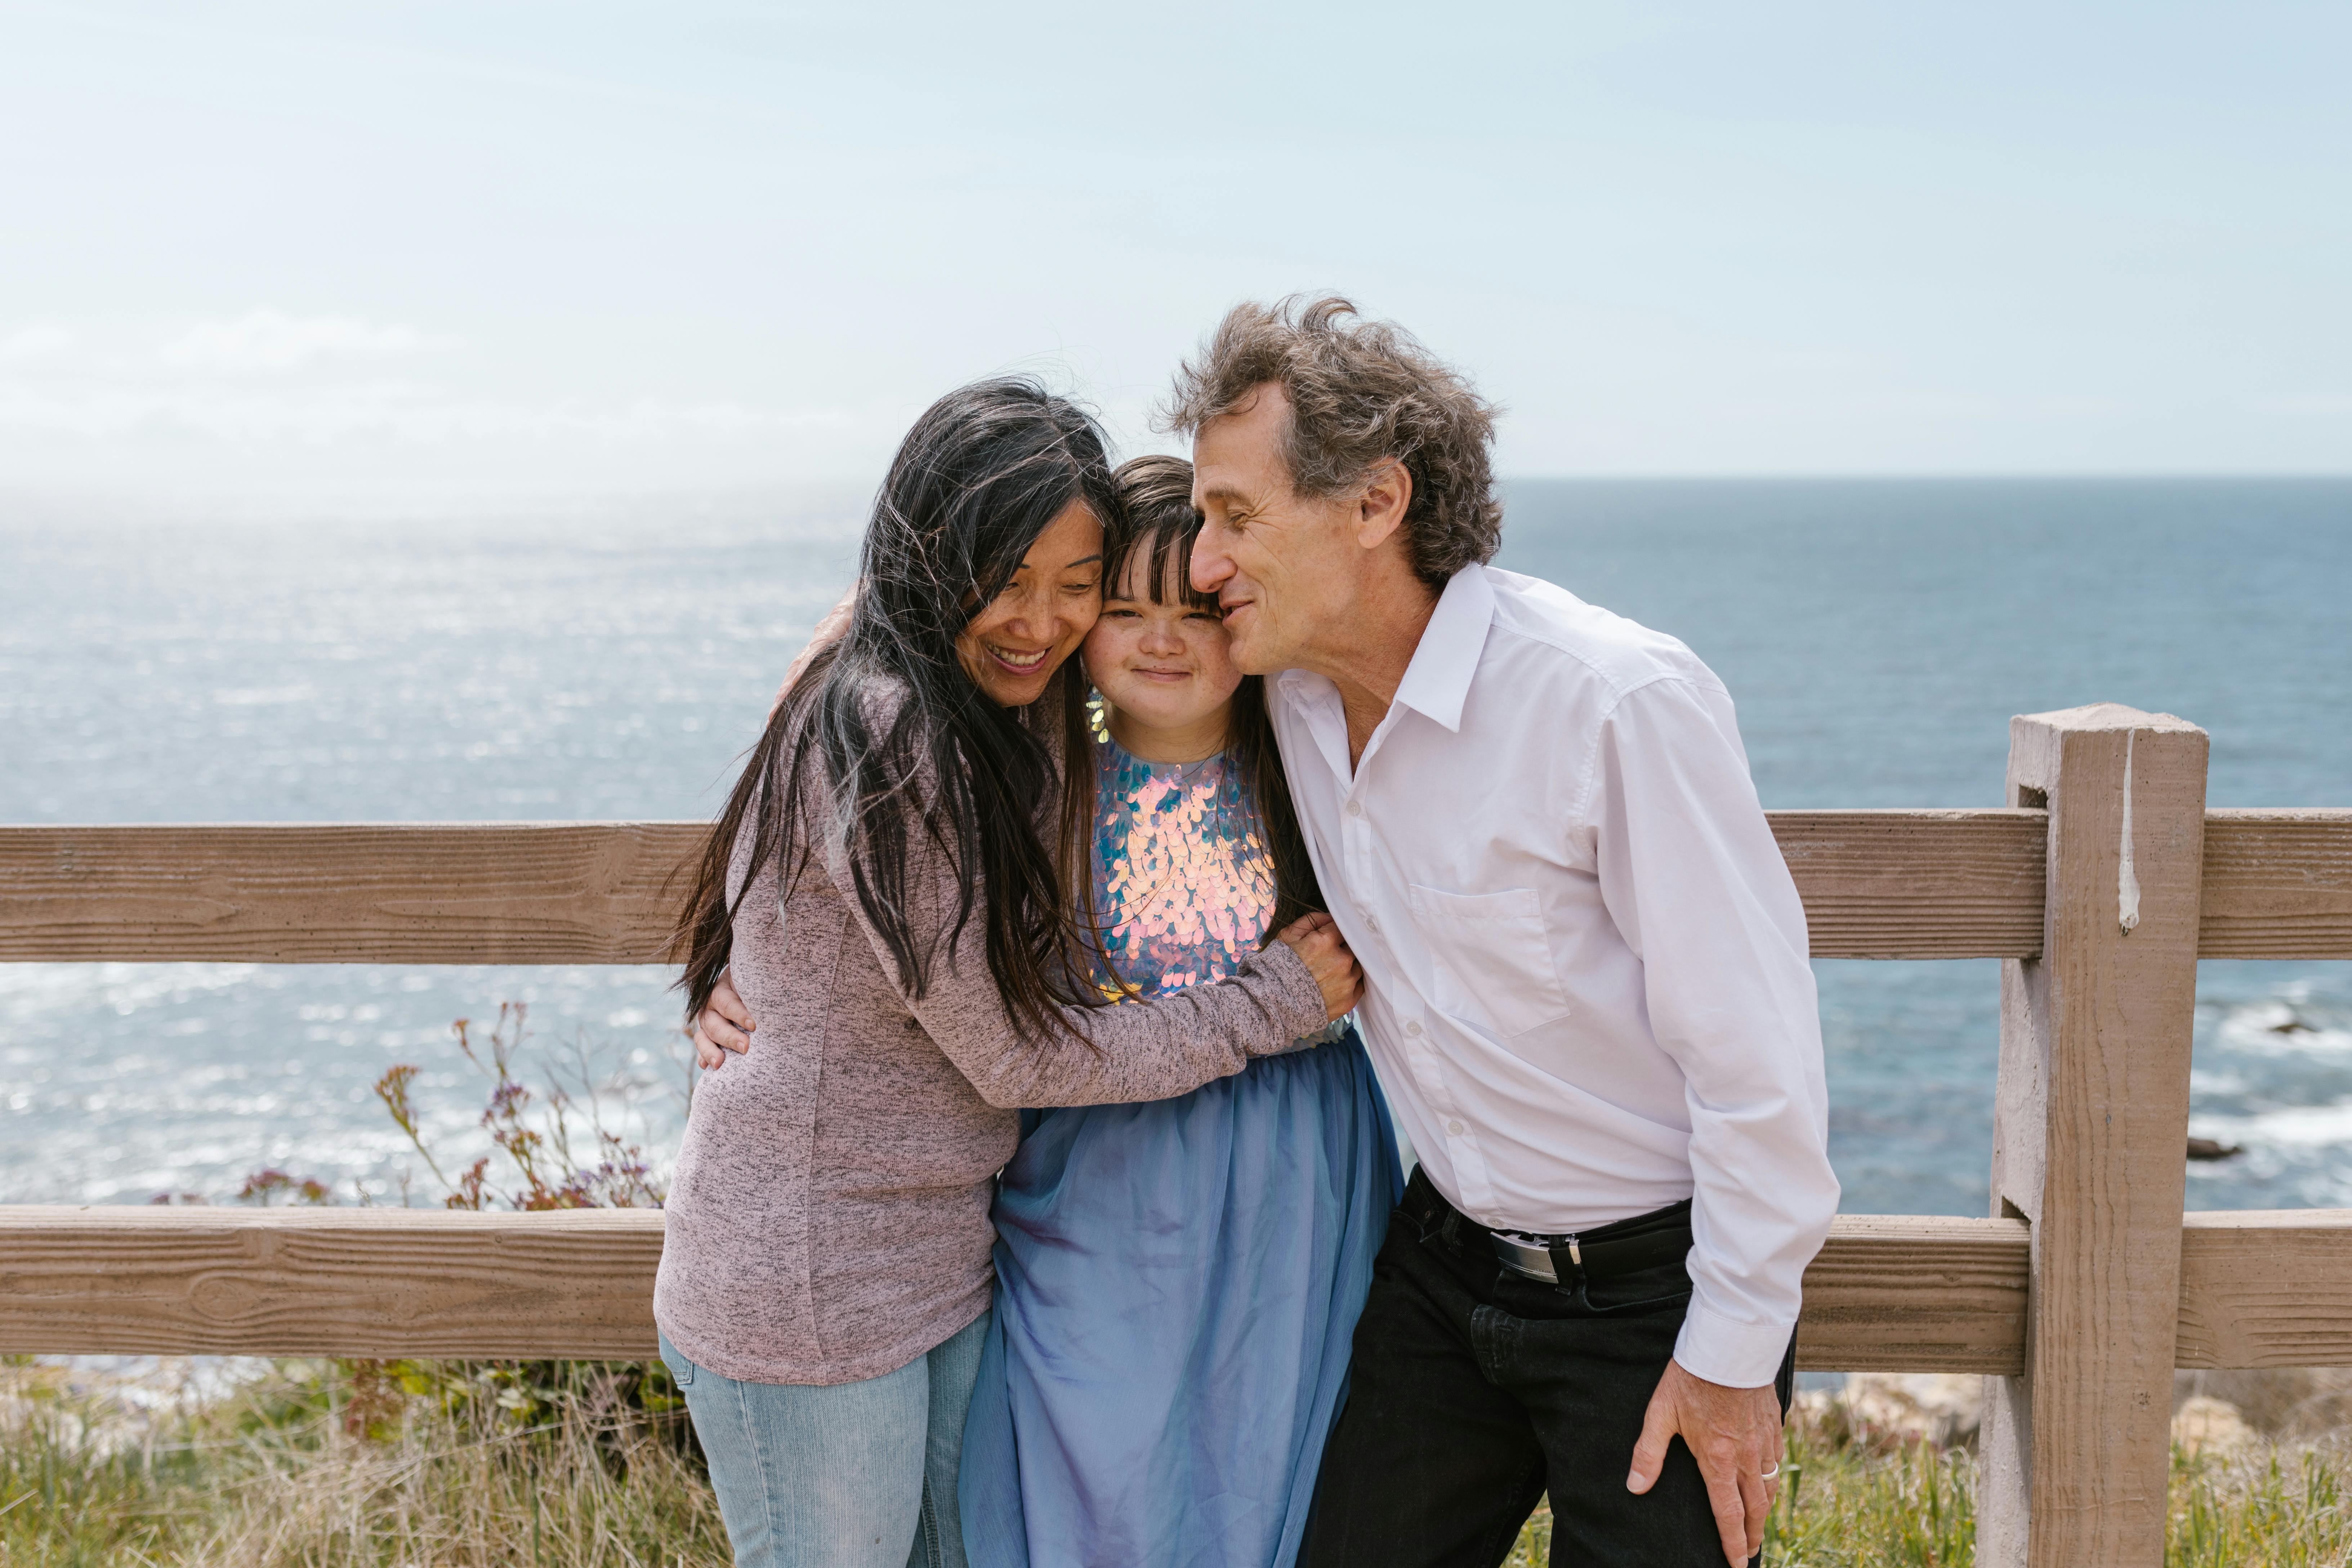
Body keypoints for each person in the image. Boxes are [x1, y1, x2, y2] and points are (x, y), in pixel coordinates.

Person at [1163, 297, 1841, 1568]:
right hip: (1441, 1261)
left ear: (1374, 504)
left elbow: (1760, 1066)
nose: (1203, 565)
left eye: (1236, 517)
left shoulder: (1610, 702)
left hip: (1654, 1297)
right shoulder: (1286, 692)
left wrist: (1733, 1355)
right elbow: (1047, 649)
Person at [657, 378, 1363, 1568]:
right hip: (810, 1281)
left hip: (938, 1259)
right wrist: (1275, 1003)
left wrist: (741, 946)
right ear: (931, 562)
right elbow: (1011, 1051)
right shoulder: (889, 725)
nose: (1039, 620)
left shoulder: (1000, 711)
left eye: (1071, 584)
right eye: (1007, 579)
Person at [956, 456, 1401, 1567]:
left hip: (1290, 1187)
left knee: (1266, 1459)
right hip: (1100, 1190)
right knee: (1101, 1463)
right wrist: (734, 974)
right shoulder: (1039, 783)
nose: (1161, 641)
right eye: (1123, 610)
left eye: (1195, 612)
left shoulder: (1311, 767)